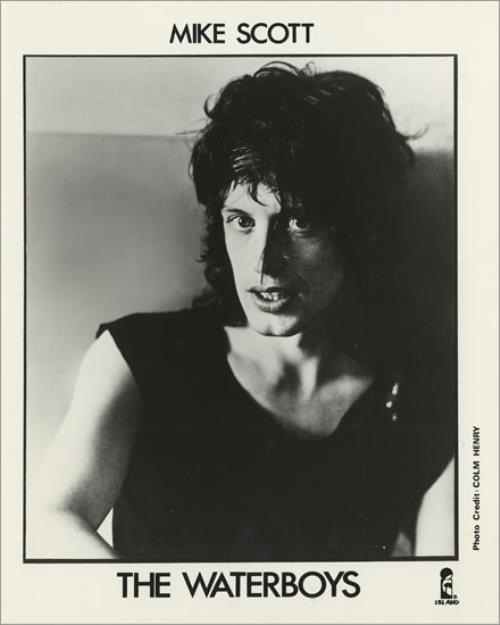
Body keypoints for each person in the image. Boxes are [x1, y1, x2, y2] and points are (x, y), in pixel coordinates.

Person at [30, 62, 455, 560]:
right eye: (242, 220)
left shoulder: (423, 393)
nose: (262, 262)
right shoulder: (137, 355)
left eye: (300, 222)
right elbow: (50, 517)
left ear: (360, 232)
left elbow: (446, 579)